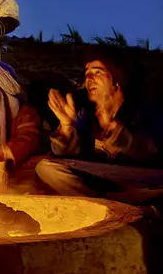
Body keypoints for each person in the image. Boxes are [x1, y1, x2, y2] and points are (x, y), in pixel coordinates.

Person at [36, 47, 163, 203]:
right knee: (46, 167)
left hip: (138, 180)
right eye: (86, 73)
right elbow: (73, 159)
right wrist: (66, 128)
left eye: (97, 72)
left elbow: (154, 152)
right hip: (101, 180)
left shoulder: (143, 109)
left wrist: (119, 134)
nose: (88, 78)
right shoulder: (85, 114)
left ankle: (106, 203)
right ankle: (104, 204)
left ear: (116, 79)